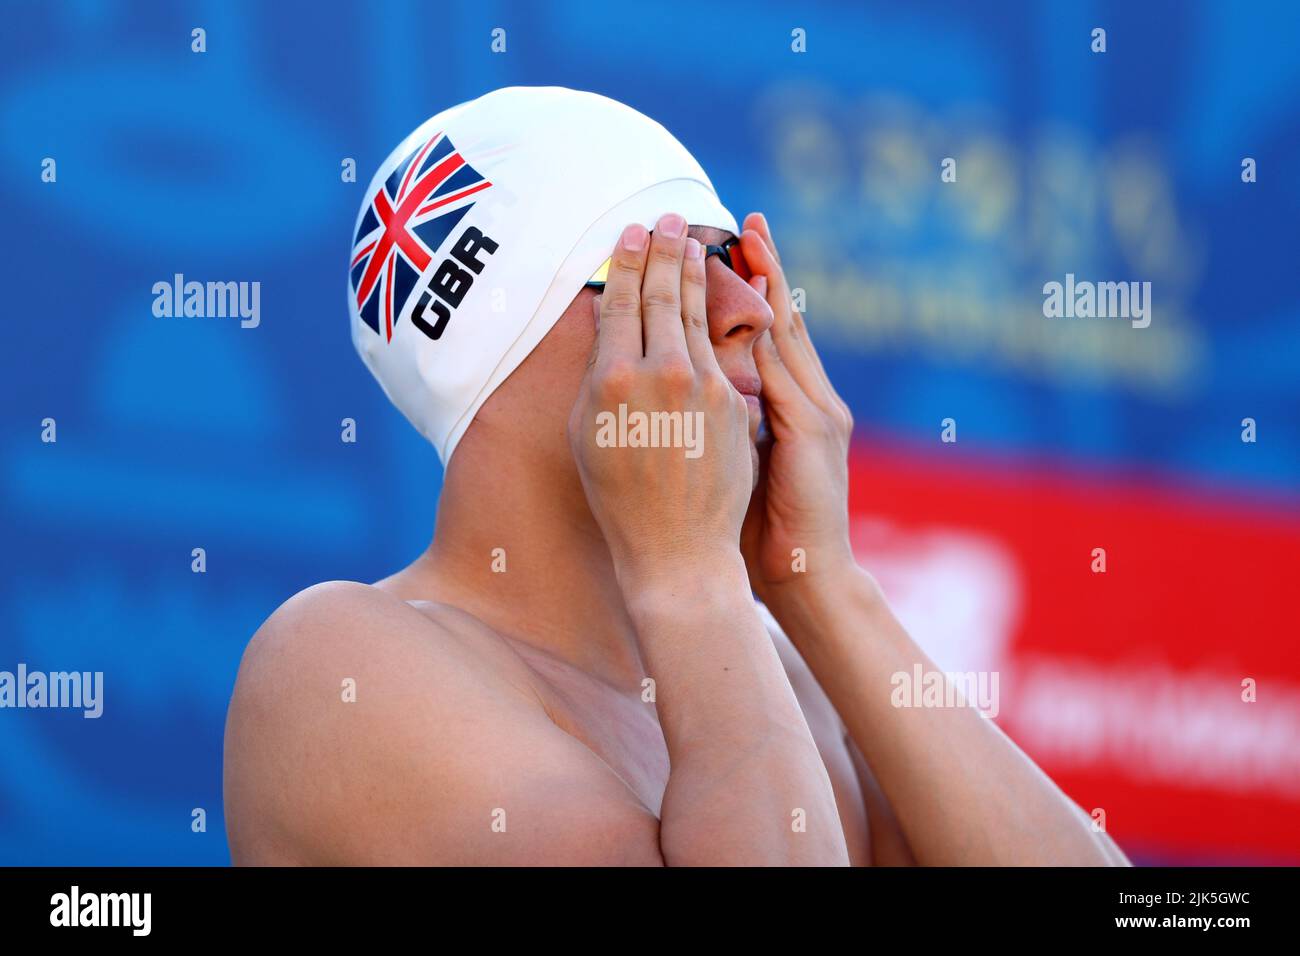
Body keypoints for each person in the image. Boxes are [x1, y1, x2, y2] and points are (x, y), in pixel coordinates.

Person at [223, 87, 1128, 866]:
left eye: (736, 262)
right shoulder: (337, 662)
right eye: (671, 271)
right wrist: (690, 576)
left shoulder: (771, 666)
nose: (748, 312)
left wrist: (818, 587)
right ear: (496, 353)